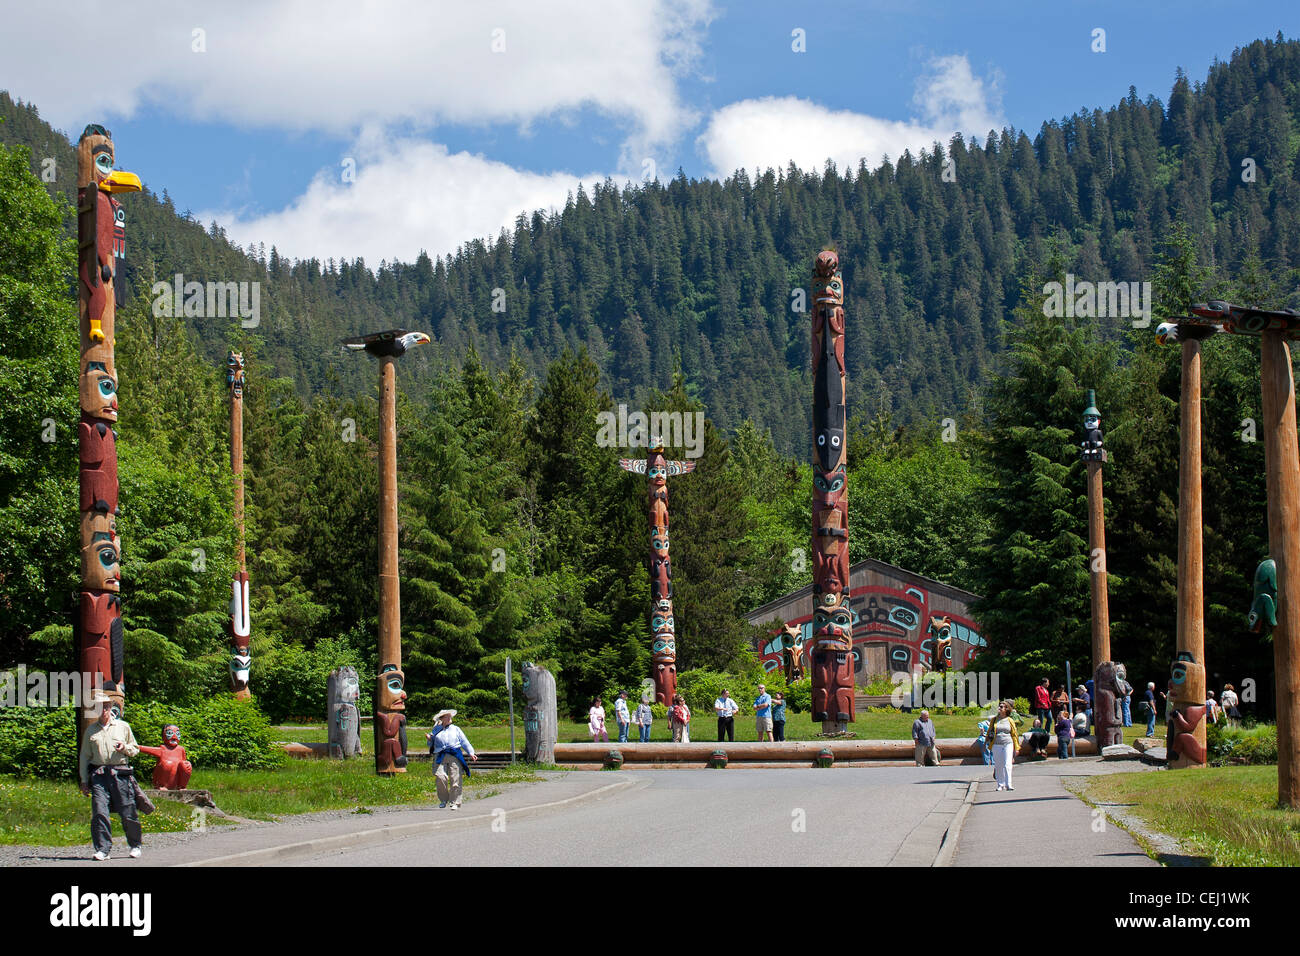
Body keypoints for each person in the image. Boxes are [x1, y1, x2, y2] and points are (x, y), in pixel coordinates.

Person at [78, 695, 143, 860]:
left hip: (120, 773)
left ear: (110, 708)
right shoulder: (91, 730)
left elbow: (135, 749)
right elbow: (85, 756)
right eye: (99, 707)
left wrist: (125, 748)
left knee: (127, 809)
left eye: (106, 707)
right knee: (99, 811)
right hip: (99, 775)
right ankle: (102, 849)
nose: (103, 710)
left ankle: (135, 845)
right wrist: (84, 780)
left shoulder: (123, 726)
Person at [427, 709, 478, 809]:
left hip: (454, 754)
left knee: (455, 778)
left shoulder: (456, 729)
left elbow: (464, 741)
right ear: (442, 719)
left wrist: (471, 753)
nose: (450, 718)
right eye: (447, 716)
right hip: (440, 754)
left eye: (450, 716)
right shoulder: (436, 729)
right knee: (440, 776)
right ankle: (443, 799)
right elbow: (431, 744)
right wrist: (429, 740)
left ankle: (455, 802)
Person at [985, 700, 1020, 791]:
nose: (999, 708)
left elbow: (1014, 734)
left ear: (1006, 709)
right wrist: (987, 741)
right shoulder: (994, 720)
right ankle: (1000, 784)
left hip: (1008, 743)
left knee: (1007, 764)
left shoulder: (1010, 720)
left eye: (1001, 707)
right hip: (996, 744)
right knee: (998, 765)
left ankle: (1009, 784)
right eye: (999, 706)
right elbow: (989, 731)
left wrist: (1017, 747)